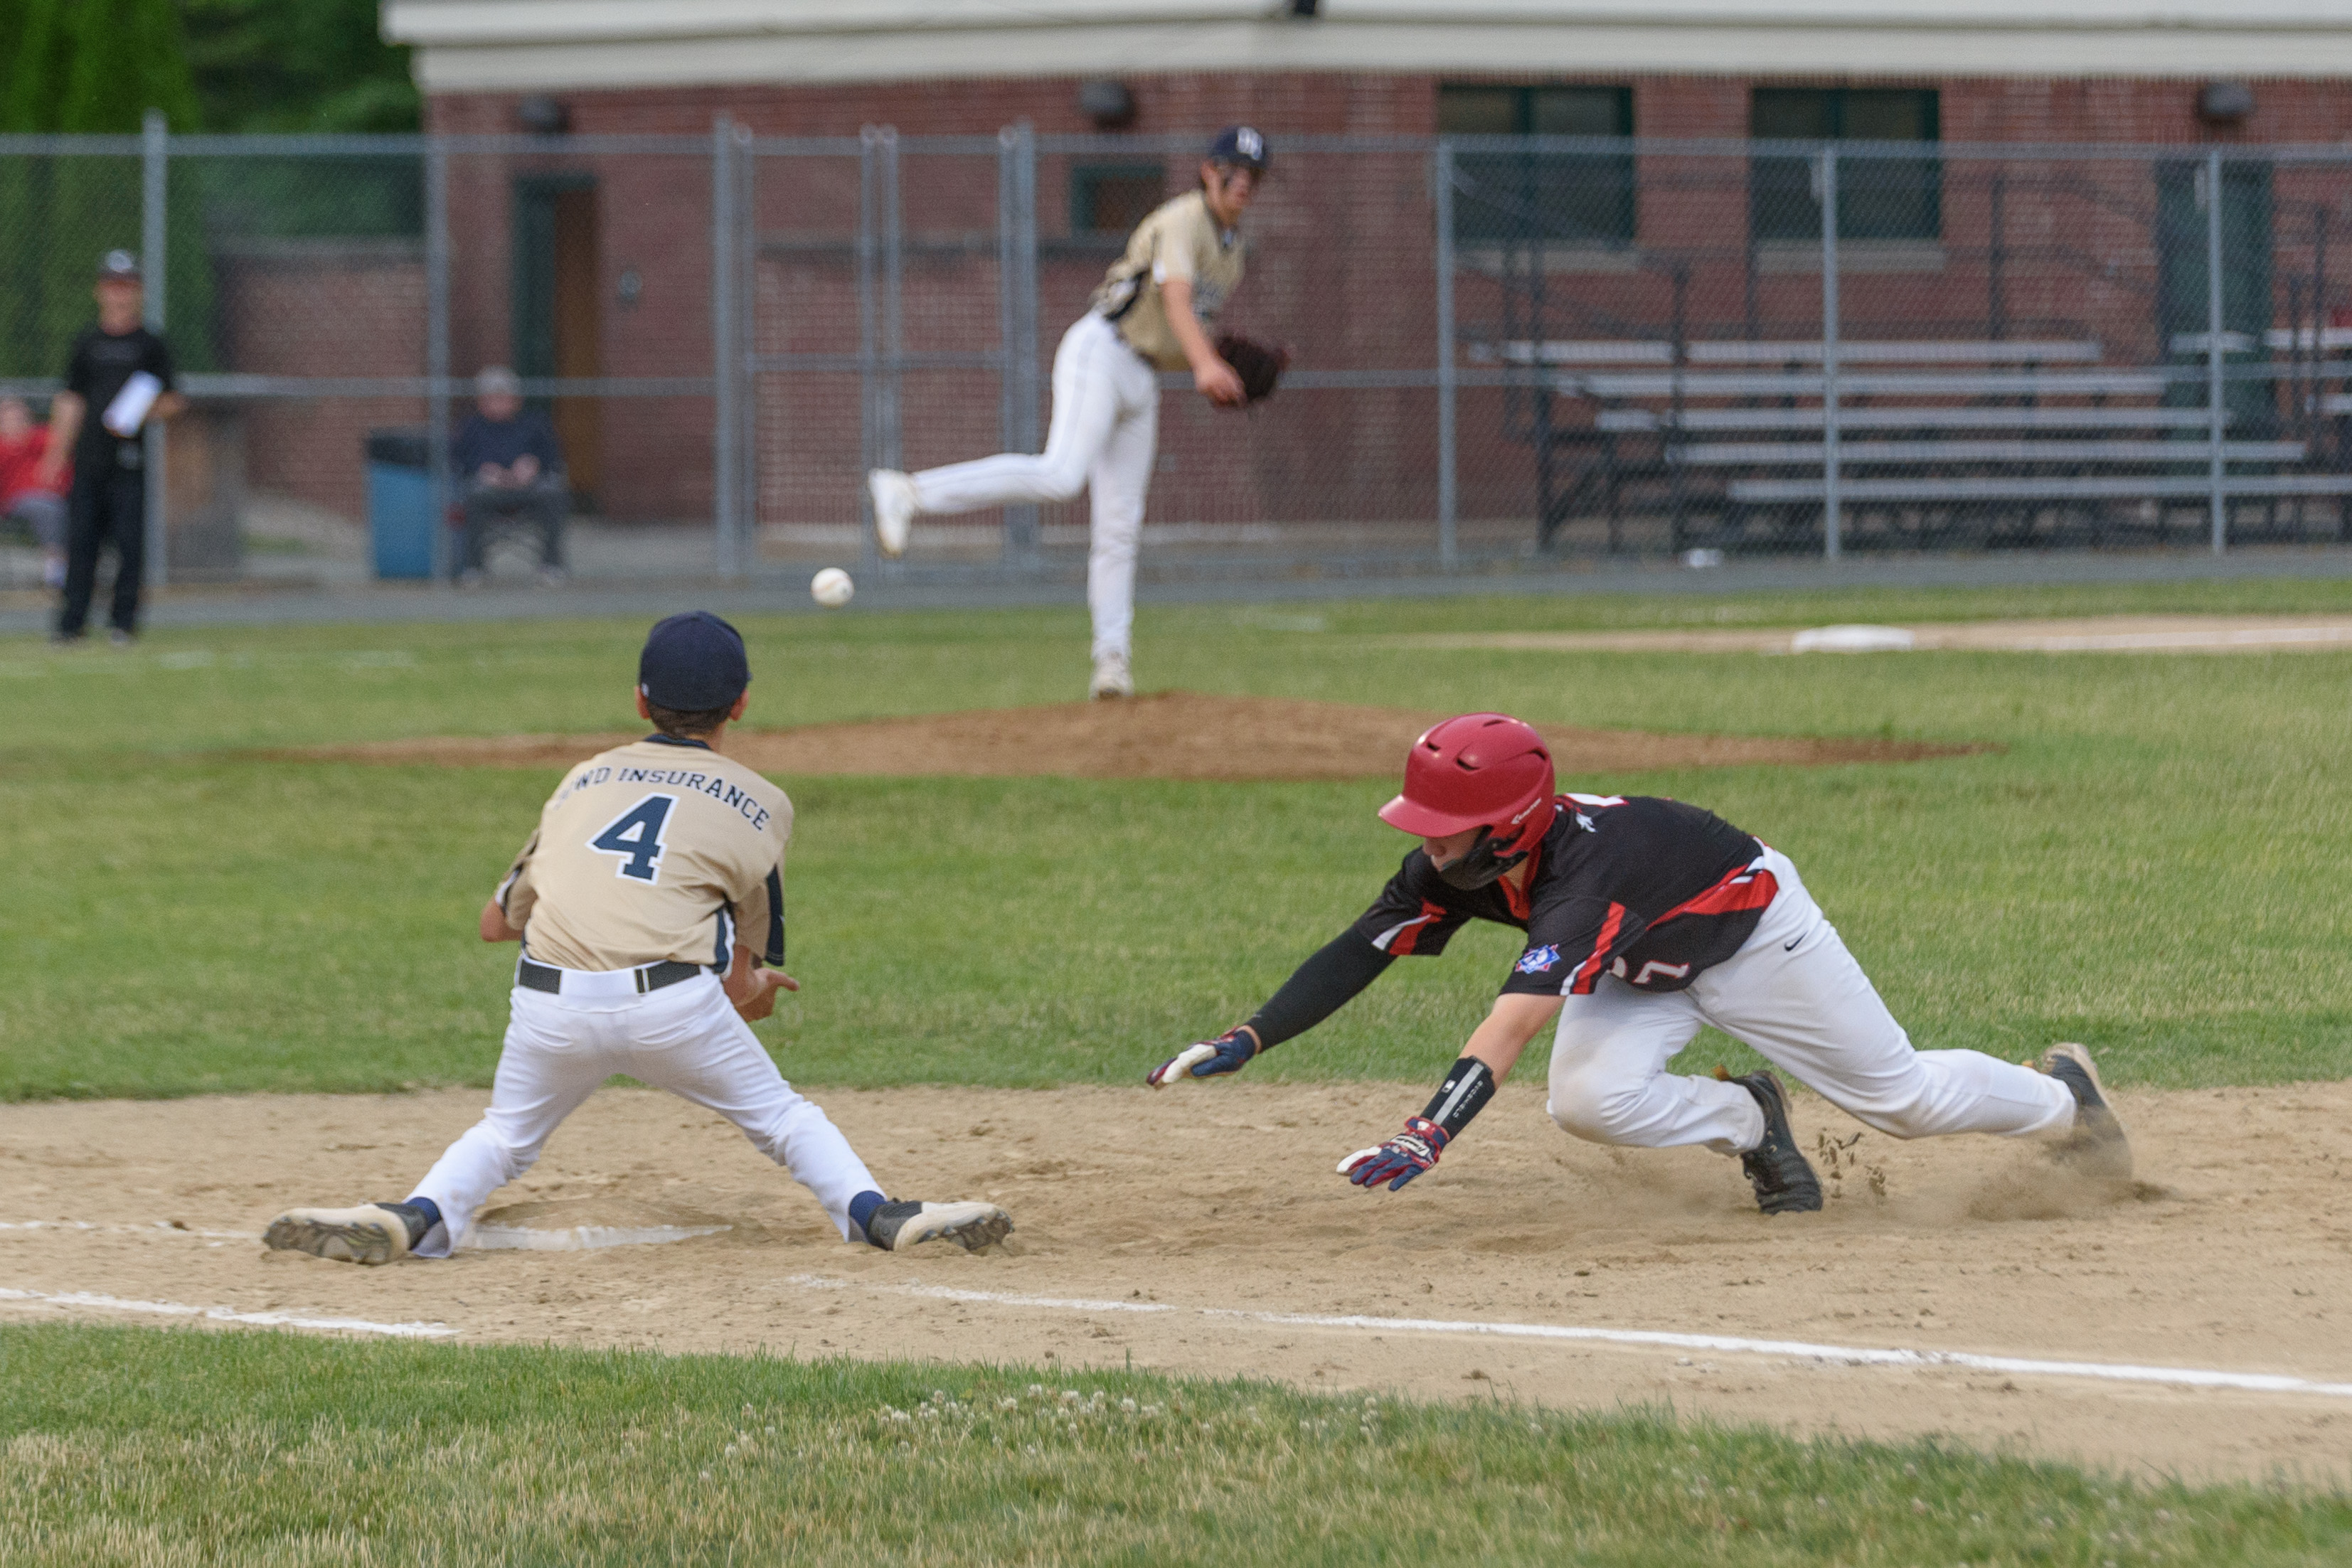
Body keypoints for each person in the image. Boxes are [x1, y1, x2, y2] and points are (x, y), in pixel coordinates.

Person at [1149, 713, 2130, 1212]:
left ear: (1510, 824)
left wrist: (1425, 1132)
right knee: (1583, 1101)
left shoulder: (1581, 877)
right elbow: (1358, 949)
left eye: (1450, 829)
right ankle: (1750, 1118)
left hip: (1751, 940)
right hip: (1637, 964)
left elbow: (1511, 1022)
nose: (1430, 846)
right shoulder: (1456, 867)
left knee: (1904, 1103)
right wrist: (1250, 1033)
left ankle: (2064, 1100)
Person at [265, 612, 1013, 1264]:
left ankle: (413, 1216)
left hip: (549, 1006)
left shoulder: (584, 778)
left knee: (504, 1137)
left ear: (639, 701)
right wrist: (748, 991)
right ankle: (874, 1217)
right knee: (784, 1119)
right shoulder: (764, 802)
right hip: (671, 1006)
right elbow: (741, 976)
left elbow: (497, 924)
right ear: (742, 703)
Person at [867, 125, 1272, 700]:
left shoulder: (1231, 252)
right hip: (1100, 353)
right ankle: (909, 491)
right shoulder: (1184, 219)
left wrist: (1213, 367)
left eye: (1255, 175)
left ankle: (1112, 663)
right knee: (1061, 475)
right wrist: (1207, 363)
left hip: (1143, 374)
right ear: (1209, 171)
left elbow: (1180, 330)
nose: (1246, 184)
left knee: (1119, 525)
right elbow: (1176, 297)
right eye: (1237, 171)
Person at [41, 250, 182, 646]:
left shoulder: (151, 345)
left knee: (129, 544)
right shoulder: (87, 342)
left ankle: (123, 623)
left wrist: (138, 413)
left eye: (128, 287)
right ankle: (72, 623)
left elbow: (173, 399)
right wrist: (56, 453)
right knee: (81, 542)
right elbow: (71, 400)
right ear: (100, 291)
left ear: (138, 292)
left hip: (130, 461)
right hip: (89, 459)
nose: (120, 295)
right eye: (112, 287)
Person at [451, 365, 568, 584]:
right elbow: (458, 460)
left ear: (516, 399)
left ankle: (551, 565)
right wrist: (483, 470)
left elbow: (553, 458)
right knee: (473, 496)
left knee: (553, 494)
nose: (498, 402)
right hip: (489, 491)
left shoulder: (534, 424)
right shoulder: (471, 427)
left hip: (528, 489)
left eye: (503, 396)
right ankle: (474, 568)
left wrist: (534, 465)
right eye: (491, 397)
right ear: (481, 401)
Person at [0, 397, 69, 590]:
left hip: (57, 496)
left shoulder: (41, 437)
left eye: (20, 416)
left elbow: (61, 446)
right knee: (44, 507)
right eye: (9, 417)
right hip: (15, 501)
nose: (16, 421)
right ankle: (56, 567)